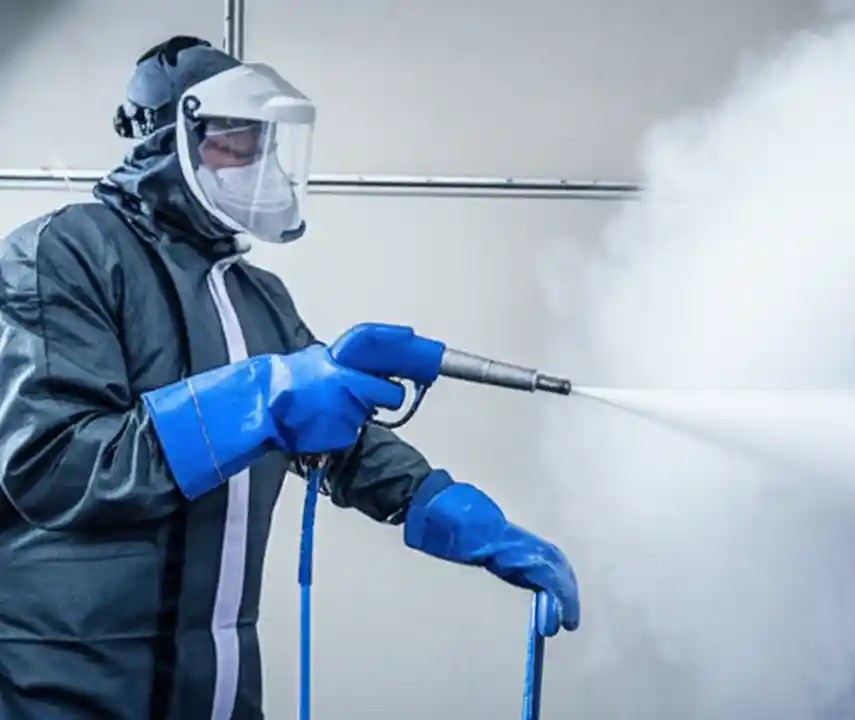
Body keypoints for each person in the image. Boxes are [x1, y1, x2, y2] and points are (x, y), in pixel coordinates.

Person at [0, 35, 579, 720]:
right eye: (240, 142)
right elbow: (56, 464)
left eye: (267, 145)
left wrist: (439, 504)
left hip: (215, 684)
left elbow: (327, 434)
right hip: (67, 687)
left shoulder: (257, 296)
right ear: (169, 139)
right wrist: (262, 398)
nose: (260, 165)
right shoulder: (63, 256)